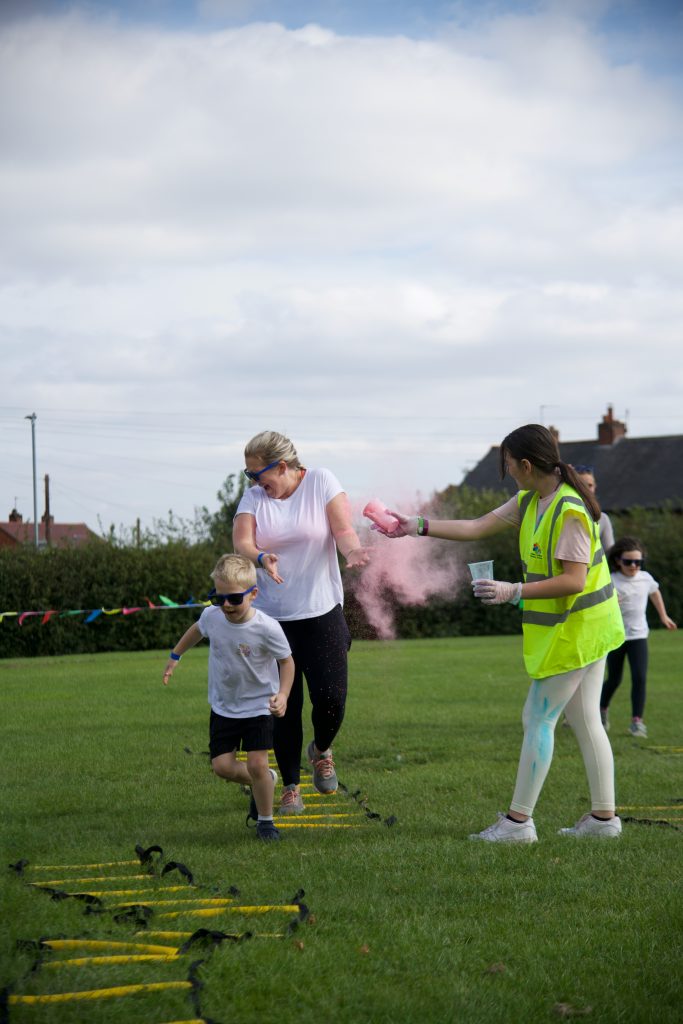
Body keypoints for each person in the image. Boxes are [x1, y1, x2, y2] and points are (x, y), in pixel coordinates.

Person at [378, 424, 625, 842]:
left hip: (579, 629)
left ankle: (517, 823)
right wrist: (414, 526)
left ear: (526, 465)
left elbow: (573, 581)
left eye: (509, 465)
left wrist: (515, 591)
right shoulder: (532, 498)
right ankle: (604, 822)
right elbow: (475, 527)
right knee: (584, 720)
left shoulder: (568, 511)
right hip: (590, 626)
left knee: (538, 718)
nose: (508, 472)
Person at [233, 430, 369, 814]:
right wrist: (260, 557)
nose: (254, 482)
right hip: (272, 620)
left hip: (322, 611)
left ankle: (322, 749)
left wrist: (353, 550)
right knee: (282, 707)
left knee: (331, 700)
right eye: (249, 476)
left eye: (257, 474)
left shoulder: (322, 481)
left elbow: (342, 530)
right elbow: (242, 540)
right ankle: (291, 784)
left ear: (282, 466)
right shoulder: (255, 498)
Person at [163, 554, 295, 842]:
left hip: (260, 705)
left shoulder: (267, 627)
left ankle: (265, 823)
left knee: (257, 764)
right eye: (217, 598)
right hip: (224, 705)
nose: (225, 605)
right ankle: (267, 782)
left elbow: (287, 662)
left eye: (234, 599)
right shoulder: (213, 617)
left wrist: (283, 695)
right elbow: (196, 631)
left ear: (253, 594)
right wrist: (175, 656)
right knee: (222, 767)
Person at [600, 536, 677, 738]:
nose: (634, 566)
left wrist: (663, 615)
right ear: (618, 561)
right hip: (616, 637)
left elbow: (655, 592)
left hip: (638, 636)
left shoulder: (646, 578)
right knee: (614, 679)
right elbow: (597, 605)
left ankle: (637, 722)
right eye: (628, 562)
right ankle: (602, 709)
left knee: (640, 678)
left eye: (638, 562)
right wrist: (610, 604)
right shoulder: (610, 579)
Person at [573, 465, 614, 552]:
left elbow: (611, 554)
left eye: (590, 485)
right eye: (581, 485)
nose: (586, 489)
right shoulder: (562, 514)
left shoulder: (603, 519)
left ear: (595, 487)